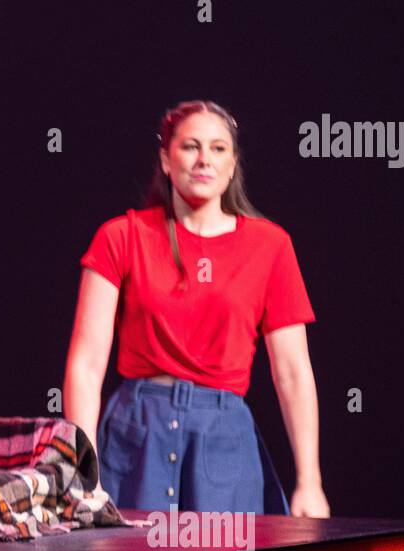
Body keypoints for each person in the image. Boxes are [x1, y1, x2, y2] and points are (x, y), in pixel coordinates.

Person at [62, 100, 330, 518]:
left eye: (218, 148)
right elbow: (87, 362)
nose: (204, 159)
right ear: (167, 160)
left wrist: (309, 481)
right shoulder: (122, 236)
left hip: (223, 436)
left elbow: (293, 372)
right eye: (190, 146)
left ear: (233, 164)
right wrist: (82, 472)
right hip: (137, 431)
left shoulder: (270, 246)